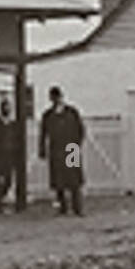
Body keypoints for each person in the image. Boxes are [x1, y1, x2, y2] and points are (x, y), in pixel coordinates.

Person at [39, 85, 84, 215]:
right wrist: (42, 149)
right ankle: (63, 207)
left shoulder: (72, 112)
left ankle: (77, 207)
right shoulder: (48, 115)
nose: (56, 100)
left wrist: (76, 144)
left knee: (74, 179)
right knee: (58, 180)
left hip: (71, 149)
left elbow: (80, 129)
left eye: (57, 97)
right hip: (56, 149)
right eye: (53, 98)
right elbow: (43, 134)